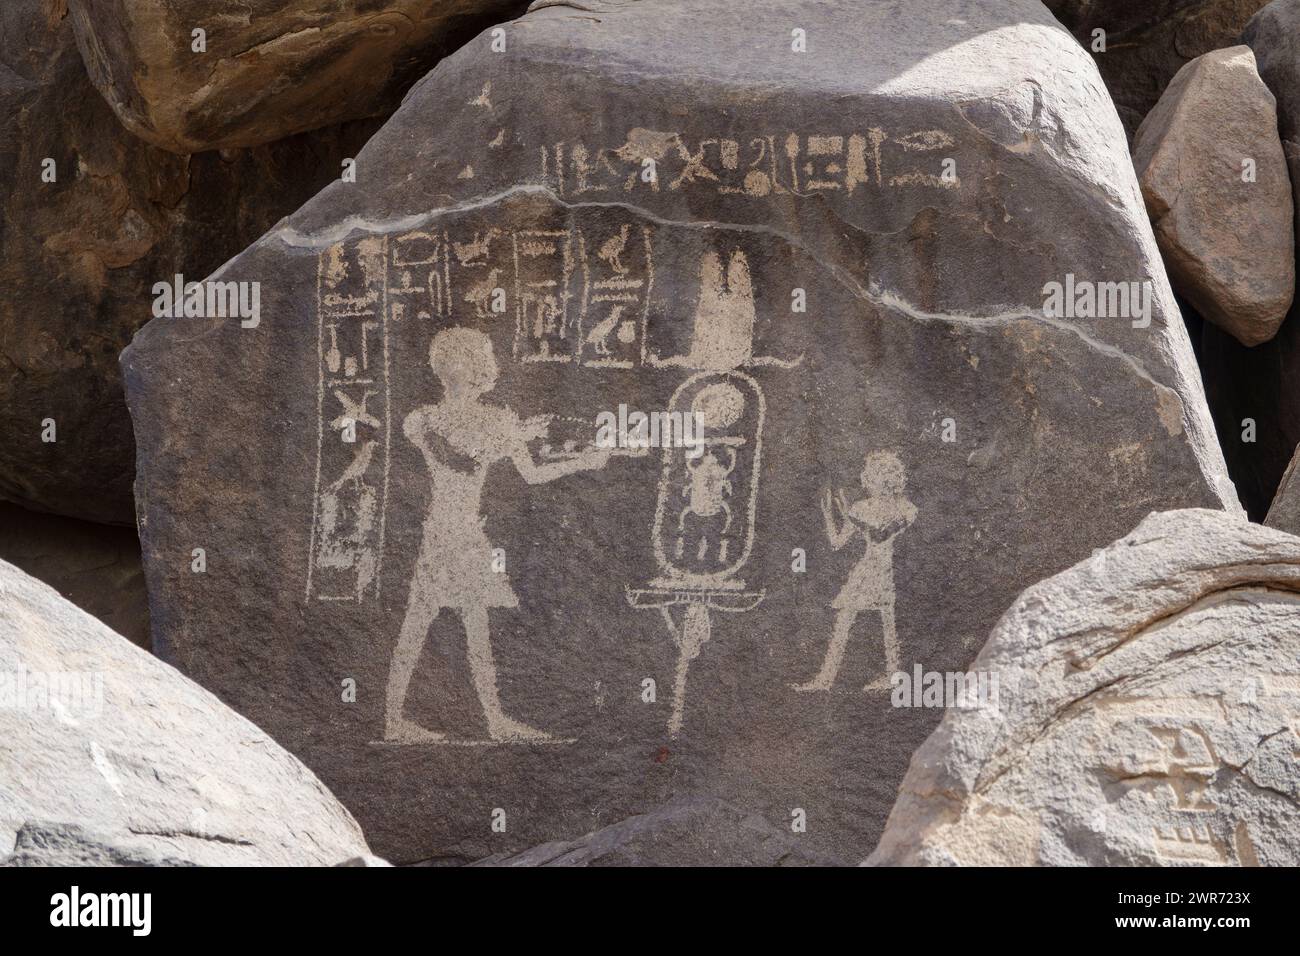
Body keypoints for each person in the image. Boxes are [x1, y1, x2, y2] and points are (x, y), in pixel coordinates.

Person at [385, 327, 614, 743]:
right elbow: (460, 460)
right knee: (417, 621)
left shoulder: (492, 421)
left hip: (468, 533)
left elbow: (533, 473)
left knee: (475, 625)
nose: (452, 366)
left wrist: (585, 461)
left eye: (461, 358)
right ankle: (395, 719)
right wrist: (509, 436)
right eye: (447, 357)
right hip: (441, 532)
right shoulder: (425, 420)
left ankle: (494, 719)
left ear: (476, 368)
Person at [792, 450, 916, 693]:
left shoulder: (905, 509)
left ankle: (888, 675)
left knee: (887, 623)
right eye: (875, 476)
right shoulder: (862, 507)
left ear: (892, 480)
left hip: (884, 571)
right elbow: (837, 543)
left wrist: (852, 516)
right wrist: (830, 516)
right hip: (867, 570)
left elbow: (880, 535)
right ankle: (825, 679)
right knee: (850, 619)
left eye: (883, 476)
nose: (877, 482)